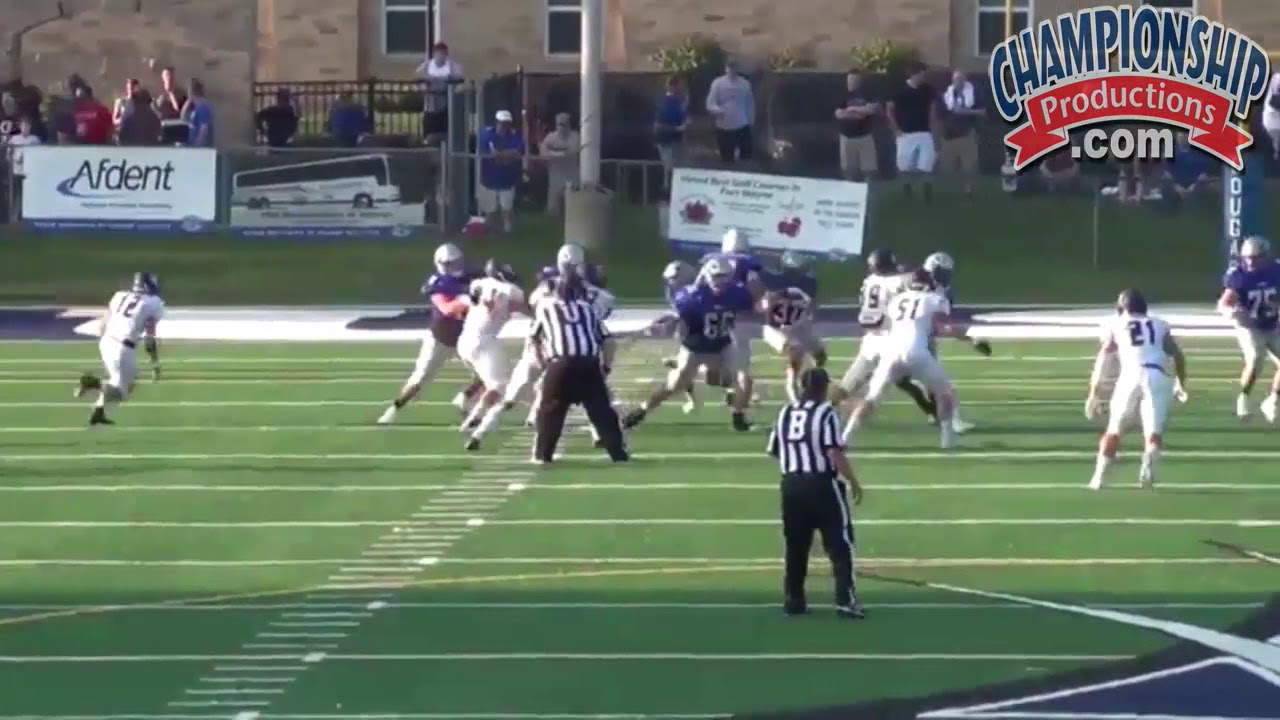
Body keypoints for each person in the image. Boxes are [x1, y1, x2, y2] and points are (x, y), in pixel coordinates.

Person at [766, 366, 866, 619]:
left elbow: (774, 450)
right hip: (821, 484)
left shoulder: (785, 412)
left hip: (790, 484)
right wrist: (853, 481)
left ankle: (793, 600)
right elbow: (834, 451)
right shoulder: (826, 413)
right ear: (822, 389)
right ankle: (845, 600)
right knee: (840, 545)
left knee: (796, 545)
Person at [624, 256, 756, 432]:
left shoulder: (736, 293)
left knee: (743, 379)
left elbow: (752, 307)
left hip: (722, 345)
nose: (721, 280)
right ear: (707, 275)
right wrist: (663, 327)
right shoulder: (692, 296)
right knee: (672, 387)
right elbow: (676, 319)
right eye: (717, 276)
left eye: (724, 276)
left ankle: (738, 417)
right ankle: (641, 411)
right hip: (694, 348)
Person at [844, 269, 966, 448]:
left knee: (871, 399)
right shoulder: (935, 299)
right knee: (945, 393)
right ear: (929, 283)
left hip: (891, 352)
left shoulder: (896, 300)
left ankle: (845, 437)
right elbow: (942, 327)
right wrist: (970, 337)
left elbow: (889, 324)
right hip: (917, 352)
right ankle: (947, 442)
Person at [1085, 289, 1188, 489]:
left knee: (1114, 430)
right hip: (1157, 376)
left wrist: (1094, 393)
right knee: (1153, 433)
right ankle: (1147, 467)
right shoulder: (1159, 325)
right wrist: (1181, 383)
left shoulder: (1114, 325)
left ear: (1122, 308)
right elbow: (1178, 355)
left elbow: (1103, 361)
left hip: (1131, 375)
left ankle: (1099, 477)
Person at [528, 272, 628, 465]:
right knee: (601, 411)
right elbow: (608, 341)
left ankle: (543, 454)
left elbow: (533, 339)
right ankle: (618, 454)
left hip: (560, 364)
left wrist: (543, 365)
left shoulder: (546, 308)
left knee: (550, 411)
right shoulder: (588, 309)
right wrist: (605, 367)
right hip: (588, 364)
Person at [378, 244, 472, 425]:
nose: (454, 266)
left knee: (488, 375)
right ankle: (394, 409)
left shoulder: (470, 277)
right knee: (420, 379)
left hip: (464, 338)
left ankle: (464, 398)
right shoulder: (438, 283)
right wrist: (465, 299)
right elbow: (446, 309)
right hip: (441, 339)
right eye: (450, 263)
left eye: (456, 262)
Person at [75, 272, 165, 426]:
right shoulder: (153, 303)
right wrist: (155, 363)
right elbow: (150, 339)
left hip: (107, 341)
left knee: (120, 382)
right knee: (121, 392)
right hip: (123, 347)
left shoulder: (120, 296)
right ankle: (93, 383)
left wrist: (105, 343)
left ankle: (98, 411)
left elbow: (103, 323)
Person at [459, 260, 528, 451]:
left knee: (491, 382)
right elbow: (520, 304)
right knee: (499, 387)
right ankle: (475, 419)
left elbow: (470, 297)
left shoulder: (478, 283)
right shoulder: (508, 288)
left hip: (465, 341)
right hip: (484, 341)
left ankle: (472, 414)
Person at [1217, 236, 1280, 421]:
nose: (1250, 261)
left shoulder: (1276, 270)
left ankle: (1272, 400)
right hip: (1249, 325)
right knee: (1255, 359)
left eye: (1255, 257)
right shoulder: (1239, 275)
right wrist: (1232, 313)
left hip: (1273, 323)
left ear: (1266, 256)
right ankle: (1243, 397)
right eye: (1247, 257)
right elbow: (1223, 303)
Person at [760, 251, 827, 403]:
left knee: (820, 355)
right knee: (795, 355)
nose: (804, 272)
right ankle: (795, 396)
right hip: (776, 329)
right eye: (800, 269)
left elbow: (812, 307)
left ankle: (811, 381)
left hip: (799, 326)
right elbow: (765, 304)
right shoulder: (776, 283)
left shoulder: (806, 284)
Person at [888, 64, 938, 201]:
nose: (923, 77)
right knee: (905, 165)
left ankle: (927, 193)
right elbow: (890, 110)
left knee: (926, 164)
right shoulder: (899, 89)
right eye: (921, 74)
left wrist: (933, 130)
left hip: (924, 132)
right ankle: (907, 189)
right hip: (905, 133)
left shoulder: (928, 89)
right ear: (914, 74)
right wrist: (895, 129)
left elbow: (932, 110)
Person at [478, 110, 524, 233]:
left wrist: (501, 154)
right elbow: (487, 149)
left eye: (507, 123)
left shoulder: (514, 135)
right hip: (489, 178)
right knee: (489, 209)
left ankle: (508, 232)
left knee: (507, 208)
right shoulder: (487, 133)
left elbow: (517, 151)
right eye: (502, 123)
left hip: (507, 179)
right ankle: (490, 231)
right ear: (496, 122)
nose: (504, 126)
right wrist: (505, 155)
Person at [938, 70, 982, 197]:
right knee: (949, 168)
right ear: (952, 80)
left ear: (965, 80)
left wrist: (966, 111)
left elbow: (983, 112)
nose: (958, 82)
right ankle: (958, 188)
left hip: (967, 132)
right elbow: (940, 115)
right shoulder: (946, 95)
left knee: (969, 166)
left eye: (961, 79)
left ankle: (968, 190)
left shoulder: (974, 93)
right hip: (949, 134)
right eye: (956, 79)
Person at [705, 59, 754, 163]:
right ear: (726, 68)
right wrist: (719, 111)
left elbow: (749, 104)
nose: (732, 70)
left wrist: (751, 120)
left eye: (734, 67)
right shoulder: (718, 83)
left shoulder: (745, 84)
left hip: (742, 125)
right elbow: (710, 104)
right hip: (724, 126)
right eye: (730, 67)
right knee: (727, 158)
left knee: (746, 157)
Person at [834, 70, 880, 181]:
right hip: (846, 138)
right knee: (848, 170)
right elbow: (839, 114)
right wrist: (859, 114)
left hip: (864, 137)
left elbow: (872, 109)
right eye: (849, 80)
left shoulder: (868, 94)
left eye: (854, 80)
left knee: (869, 170)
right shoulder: (841, 95)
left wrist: (852, 109)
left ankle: (868, 193)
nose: (851, 82)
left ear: (859, 81)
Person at [417, 42, 462, 142]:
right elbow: (419, 76)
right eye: (439, 53)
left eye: (443, 54)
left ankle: (445, 144)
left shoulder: (451, 66)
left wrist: (447, 79)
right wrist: (428, 81)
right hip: (430, 104)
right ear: (434, 54)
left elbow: (459, 76)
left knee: (444, 127)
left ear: (446, 54)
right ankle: (427, 142)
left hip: (446, 103)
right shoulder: (427, 65)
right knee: (429, 127)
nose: (441, 56)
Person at [539, 113, 580, 215]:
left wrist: (553, 153)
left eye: (563, 124)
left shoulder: (575, 136)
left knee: (572, 198)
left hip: (572, 173)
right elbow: (543, 152)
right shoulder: (551, 137)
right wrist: (560, 153)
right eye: (558, 124)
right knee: (555, 200)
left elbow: (572, 151)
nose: (560, 127)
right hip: (555, 173)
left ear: (568, 124)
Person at [655, 75, 689, 187]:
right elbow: (658, 125)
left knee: (678, 167)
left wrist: (686, 121)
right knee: (668, 168)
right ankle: (666, 191)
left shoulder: (680, 102)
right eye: (678, 86)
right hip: (665, 141)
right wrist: (676, 128)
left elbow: (683, 117)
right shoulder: (663, 102)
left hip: (678, 140)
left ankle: (677, 190)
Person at [155, 66, 189, 146]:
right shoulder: (159, 96)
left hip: (177, 128)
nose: (169, 78)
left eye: (170, 75)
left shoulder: (181, 93)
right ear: (163, 78)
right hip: (164, 129)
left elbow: (179, 110)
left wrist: (171, 93)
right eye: (166, 75)